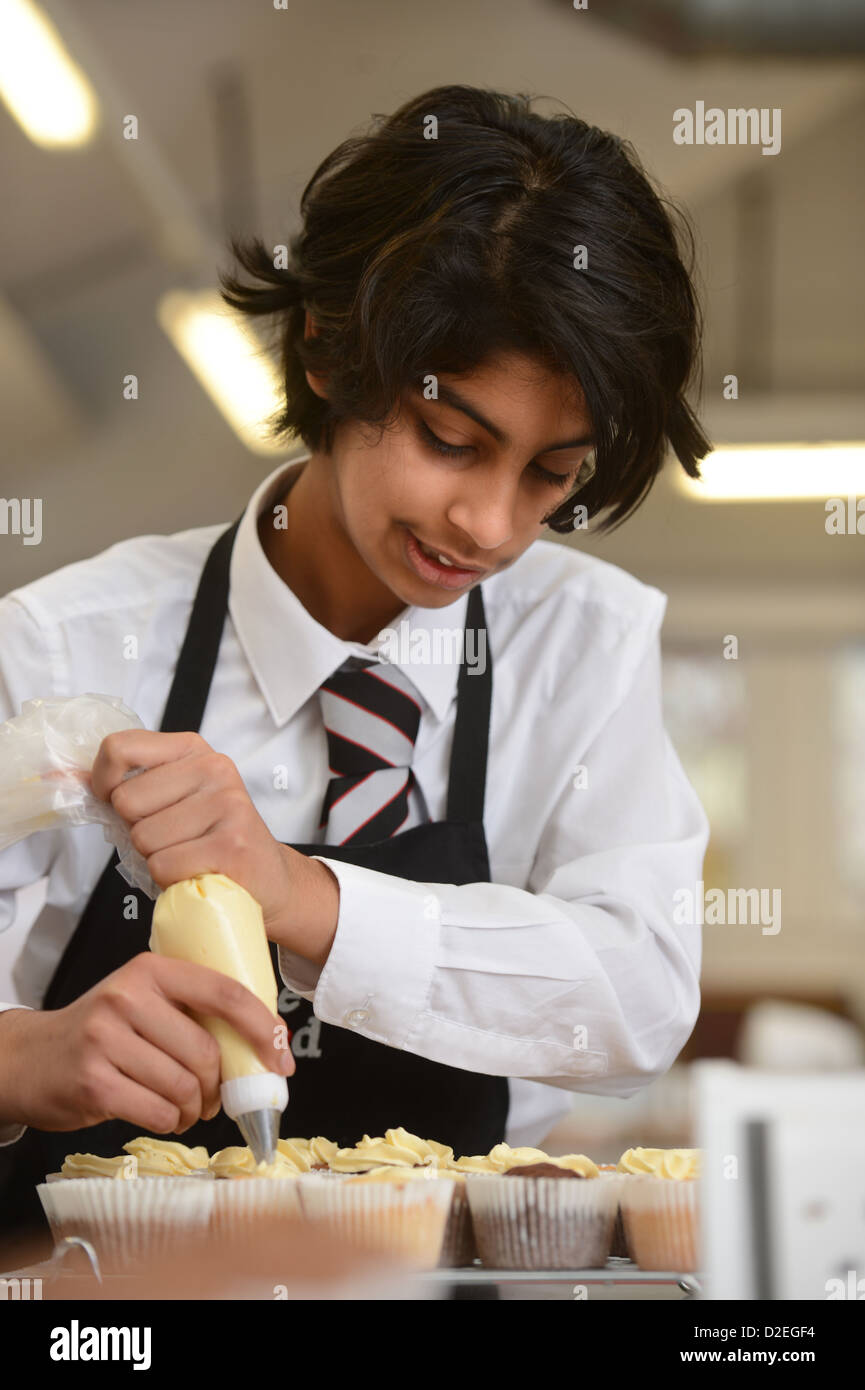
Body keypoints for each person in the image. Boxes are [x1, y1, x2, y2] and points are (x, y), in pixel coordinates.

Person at [0, 84, 711, 1236]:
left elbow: (634, 996)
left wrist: (300, 893)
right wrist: (26, 1055)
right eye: (451, 441)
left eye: (550, 475)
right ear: (329, 351)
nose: (488, 523)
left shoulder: (580, 643)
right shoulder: (64, 643)